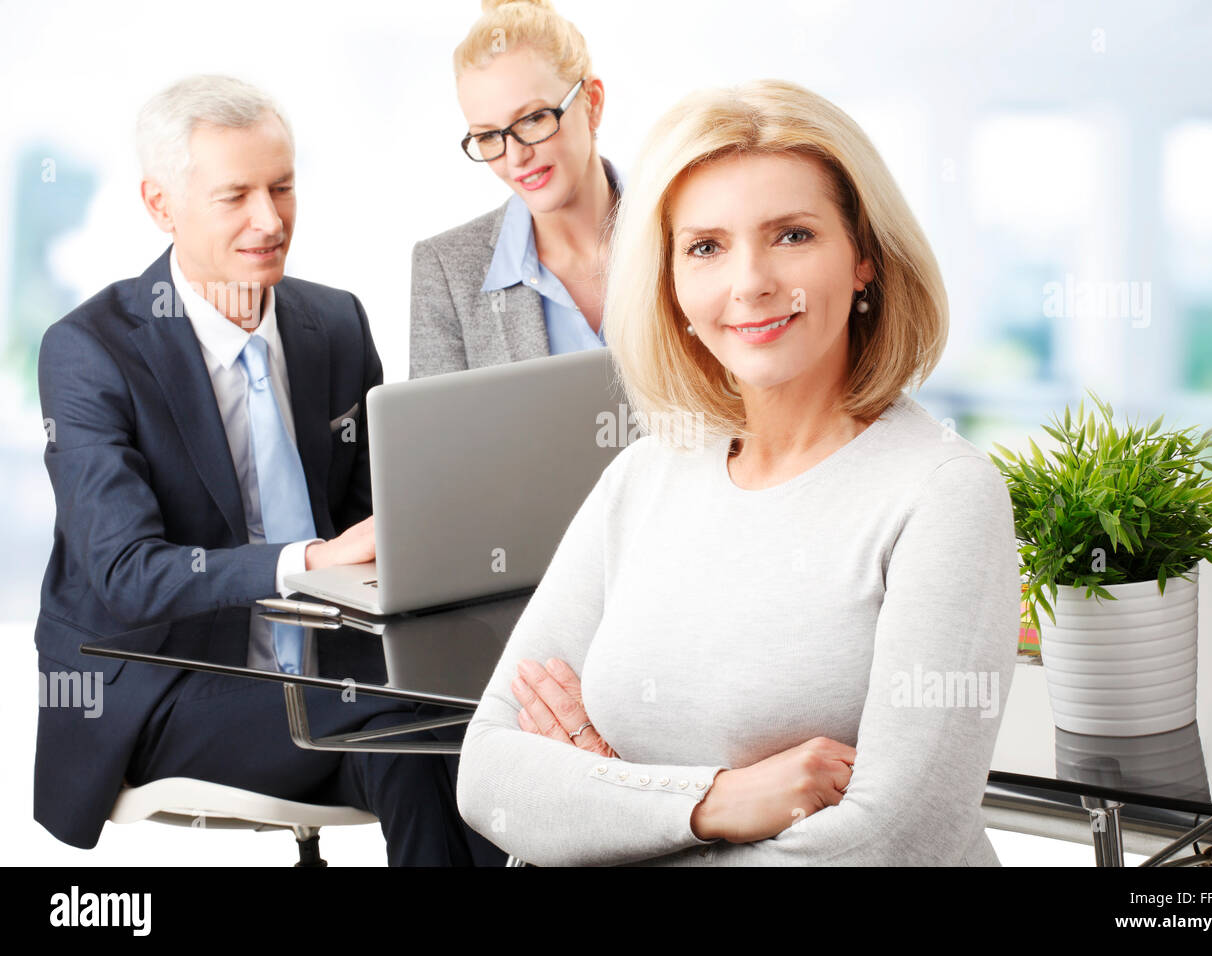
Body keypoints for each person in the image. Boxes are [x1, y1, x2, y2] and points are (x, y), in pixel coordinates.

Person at [455, 79, 1021, 865]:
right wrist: (719, 802)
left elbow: (896, 836)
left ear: (863, 257)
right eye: (706, 247)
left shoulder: (942, 495)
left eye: (792, 235)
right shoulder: (645, 477)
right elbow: (491, 776)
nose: (749, 282)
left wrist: (609, 802)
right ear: (673, 284)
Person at [34, 74, 502, 866]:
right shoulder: (92, 352)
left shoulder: (334, 323)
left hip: (334, 664)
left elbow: (376, 523)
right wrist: (308, 562)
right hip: (165, 677)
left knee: (487, 729)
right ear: (160, 206)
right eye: (236, 196)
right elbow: (124, 574)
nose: (270, 219)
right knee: (403, 736)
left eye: (283, 187)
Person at [409, 0, 620, 377]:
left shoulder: (683, 233)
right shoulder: (448, 272)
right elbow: (439, 434)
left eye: (534, 118)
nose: (516, 156)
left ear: (593, 103)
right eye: (489, 136)